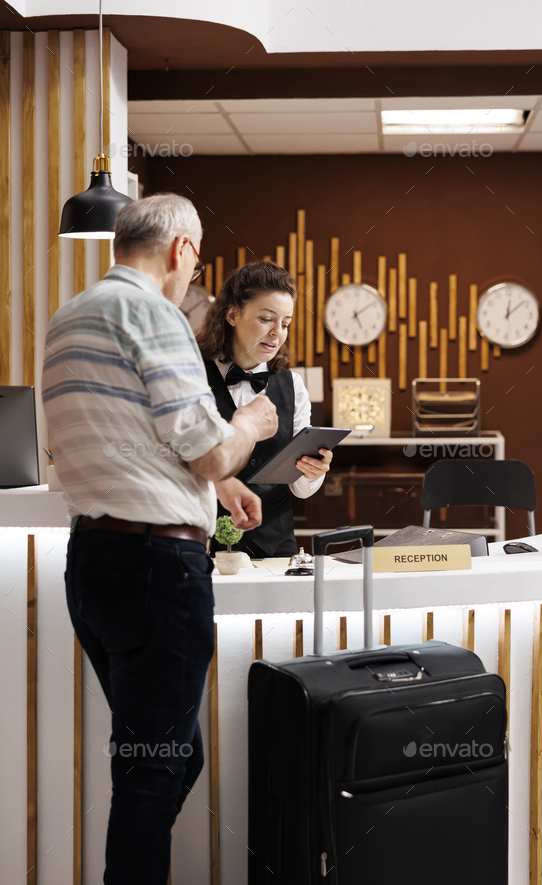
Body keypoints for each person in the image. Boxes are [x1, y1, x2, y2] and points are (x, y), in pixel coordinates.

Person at [41, 194, 278, 885]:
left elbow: (128, 440)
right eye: (196, 261)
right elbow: (209, 450)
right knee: (152, 771)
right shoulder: (155, 315)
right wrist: (251, 428)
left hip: (94, 563)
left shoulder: (68, 316)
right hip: (156, 567)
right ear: (180, 251)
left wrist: (213, 490)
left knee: (168, 755)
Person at [197, 261, 333, 558]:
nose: (276, 333)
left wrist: (314, 471)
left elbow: (301, 490)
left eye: (285, 323)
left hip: (277, 548)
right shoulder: (193, 376)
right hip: (207, 544)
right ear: (232, 314)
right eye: (266, 319)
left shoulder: (293, 385)